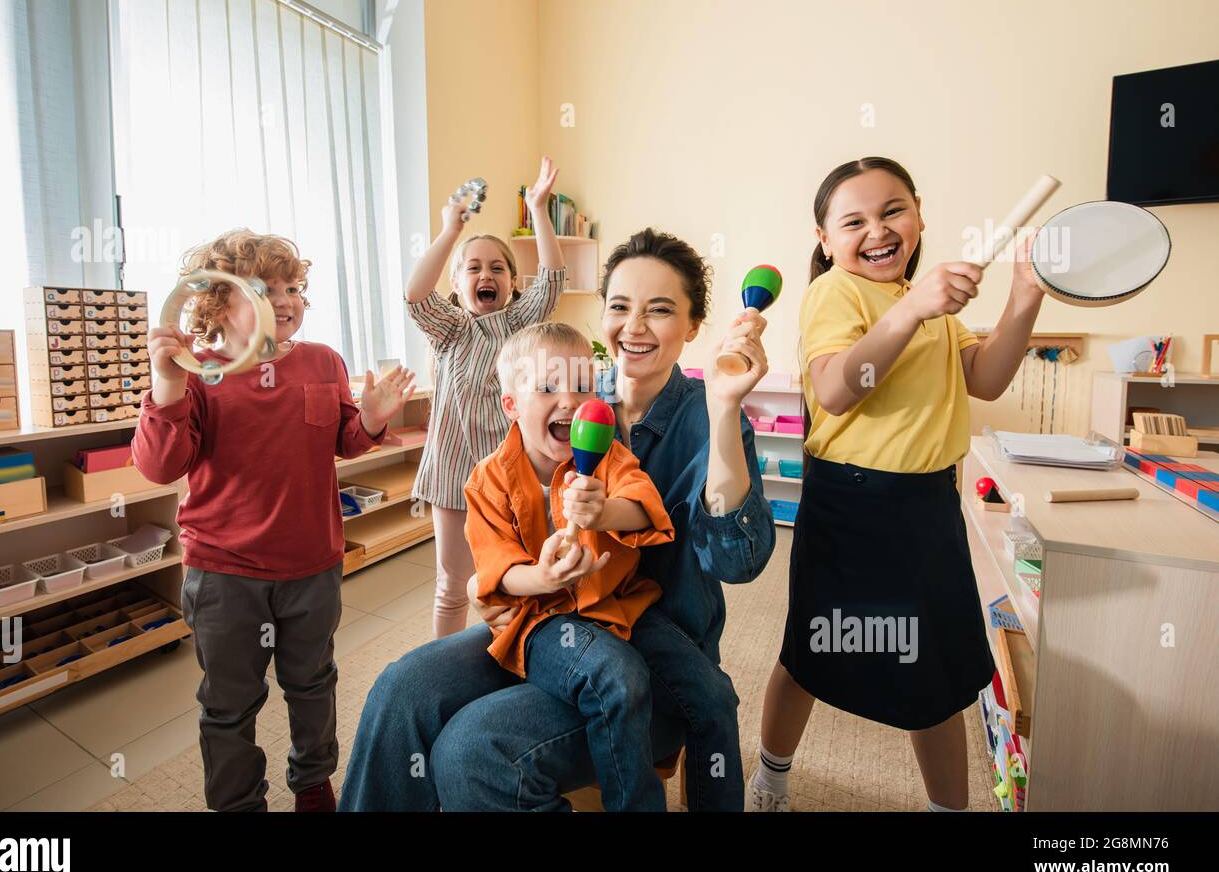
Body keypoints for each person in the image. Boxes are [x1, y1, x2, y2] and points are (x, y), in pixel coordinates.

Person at [339, 228, 774, 811]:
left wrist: (724, 408)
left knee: (472, 750)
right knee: (402, 688)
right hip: (544, 624)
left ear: (693, 326)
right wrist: (497, 582)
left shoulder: (701, 418)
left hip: (648, 646)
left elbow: (734, 560)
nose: (636, 326)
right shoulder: (568, 411)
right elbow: (493, 555)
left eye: (662, 309)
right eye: (620, 307)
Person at [746, 157, 1044, 812]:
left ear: (919, 218)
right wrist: (913, 307)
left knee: (934, 673)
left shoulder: (929, 300)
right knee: (812, 652)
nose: (877, 229)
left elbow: (985, 377)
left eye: (893, 210)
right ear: (825, 240)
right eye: (853, 220)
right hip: (851, 506)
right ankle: (770, 776)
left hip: (928, 507)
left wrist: (1023, 300)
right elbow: (837, 387)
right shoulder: (838, 293)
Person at [133, 229, 416, 812]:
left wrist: (371, 418)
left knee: (313, 683)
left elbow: (347, 440)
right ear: (217, 302)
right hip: (225, 575)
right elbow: (161, 466)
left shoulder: (322, 361)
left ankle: (313, 782)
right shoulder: (197, 372)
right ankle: (238, 801)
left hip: (311, 565)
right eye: (262, 288)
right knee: (230, 702)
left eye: (292, 287)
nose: (284, 299)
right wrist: (166, 383)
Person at [404, 157, 566, 638]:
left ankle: (514, 653)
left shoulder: (521, 325)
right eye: (472, 268)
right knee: (453, 585)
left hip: (509, 476)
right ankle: (446, 666)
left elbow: (553, 280)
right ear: (456, 285)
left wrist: (538, 208)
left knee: (511, 580)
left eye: (497, 268)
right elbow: (415, 295)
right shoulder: (449, 329)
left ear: (512, 285)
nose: (485, 274)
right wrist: (450, 231)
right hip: (452, 473)